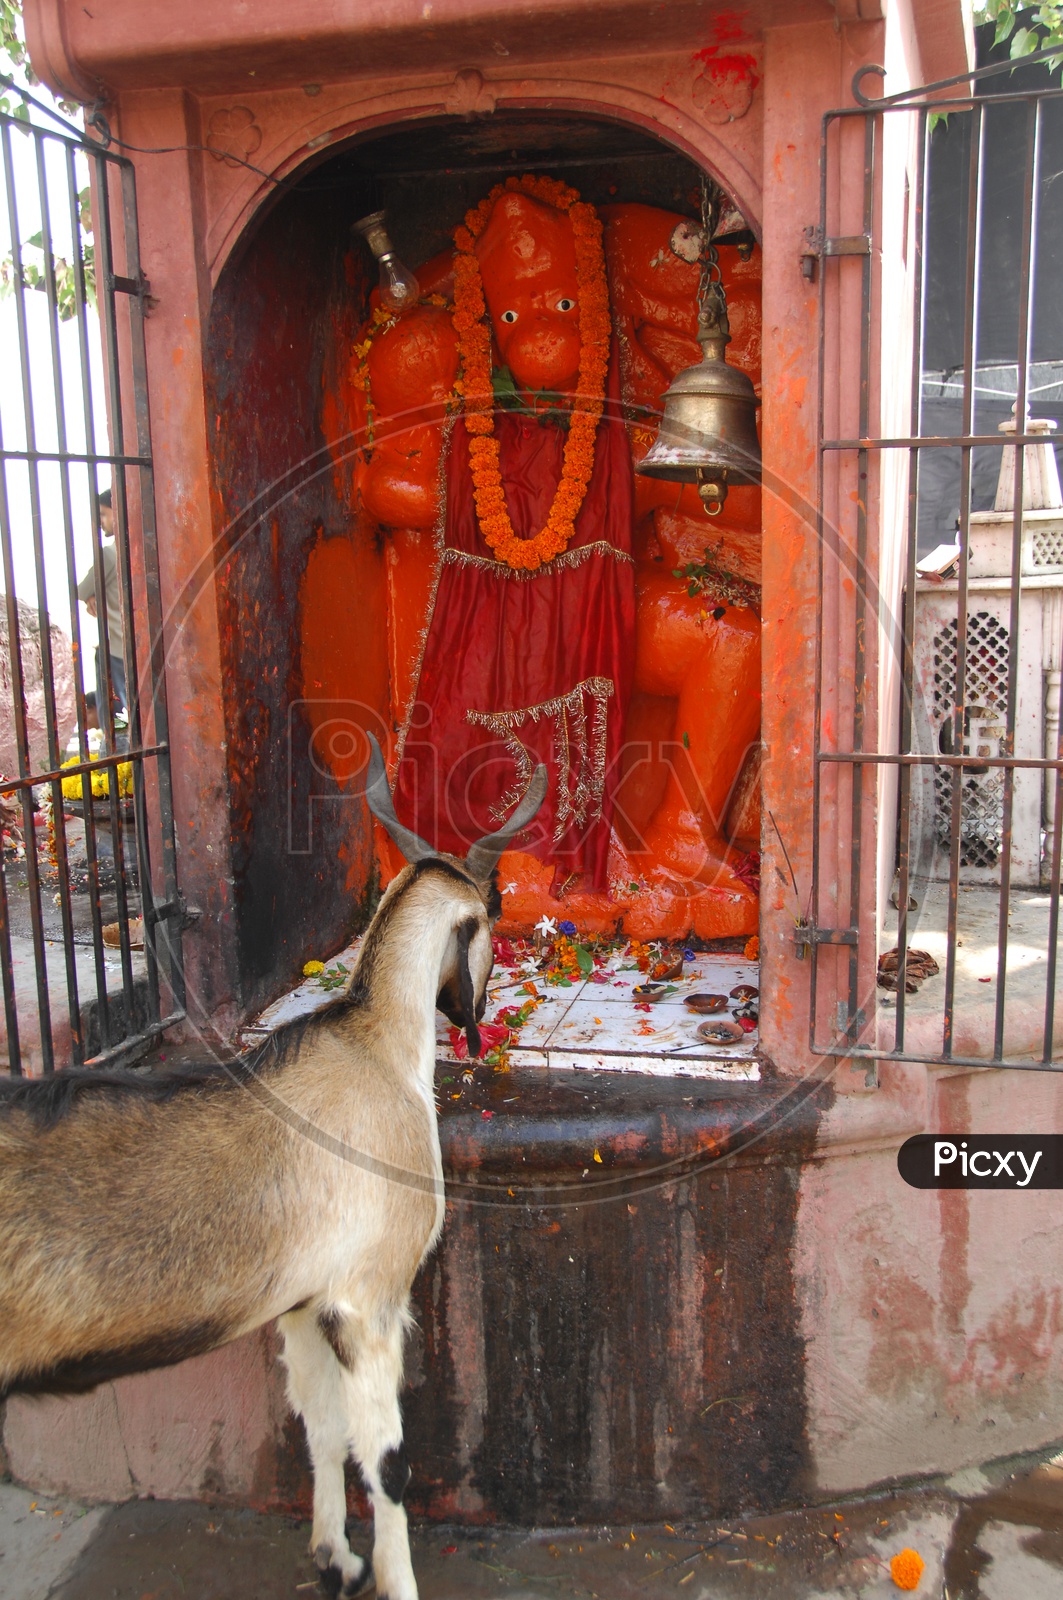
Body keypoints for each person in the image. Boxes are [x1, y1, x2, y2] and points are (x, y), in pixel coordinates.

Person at [76, 489, 127, 734]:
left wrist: (89, 594)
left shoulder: (109, 554)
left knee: (117, 723)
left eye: (104, 515)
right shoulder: (135, 552)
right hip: (137, 647)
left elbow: (79, 589)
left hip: (116, 649)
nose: (101, 522)